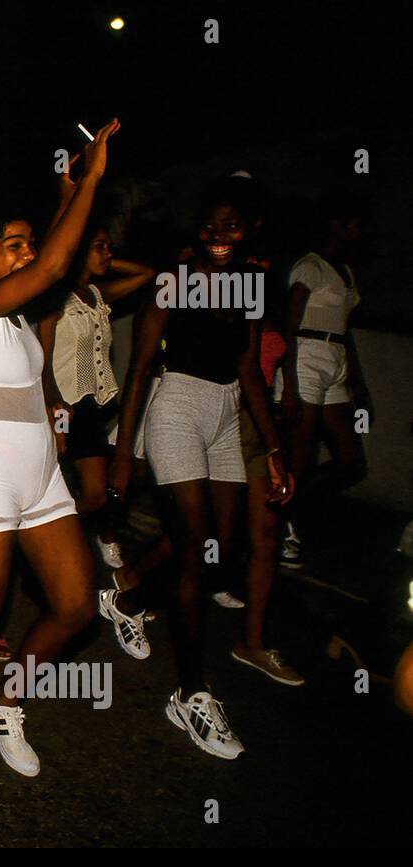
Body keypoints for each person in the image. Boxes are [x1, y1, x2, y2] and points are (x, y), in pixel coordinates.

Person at [0, 118, 121, 777]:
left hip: (43, 475)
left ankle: (3, 701)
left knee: (75, 606)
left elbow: (48, 264)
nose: (23, 252)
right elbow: (49, 265)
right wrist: (93, 181)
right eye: (9, 246)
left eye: (25, 243)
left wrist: (66, 197)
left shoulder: (18, 319)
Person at [109, 180, 295, 759]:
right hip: (176, 408)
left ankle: (130, 601)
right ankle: (192, 693)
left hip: (225, 413)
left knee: (223, 547)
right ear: (196, 231)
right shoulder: (173, 284)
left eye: (231, 227)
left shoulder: (250, 287)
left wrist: (274, 447)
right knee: (193, 547)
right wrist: (125, 448)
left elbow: (248, 370)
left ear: (249, 231)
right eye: (210, 227)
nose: (219, 238)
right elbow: (140, 368)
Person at [38, 225, 155, 568]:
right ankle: (45, 542)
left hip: (93, 407)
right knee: (61, 487)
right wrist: (54, 408)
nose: (108, 254)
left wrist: (104, 259)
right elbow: (43, 360)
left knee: (97, 494)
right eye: (99, 247)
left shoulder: (97, 294)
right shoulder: (55, 298)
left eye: (109, 247)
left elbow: (148, 274)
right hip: (63, 405)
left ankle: (68, 540)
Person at [279, 198, 369, 565]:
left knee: (351, 460)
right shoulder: (311, 266)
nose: (359, 232)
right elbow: (289, 322)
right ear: (335, 226)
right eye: (353, 224)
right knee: (301, 456)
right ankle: (282, 525)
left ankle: (282, 503)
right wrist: (289, 383)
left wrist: (357, 382)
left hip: (336, 360)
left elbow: (345, 331)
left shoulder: (346, 271)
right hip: (307, 357)